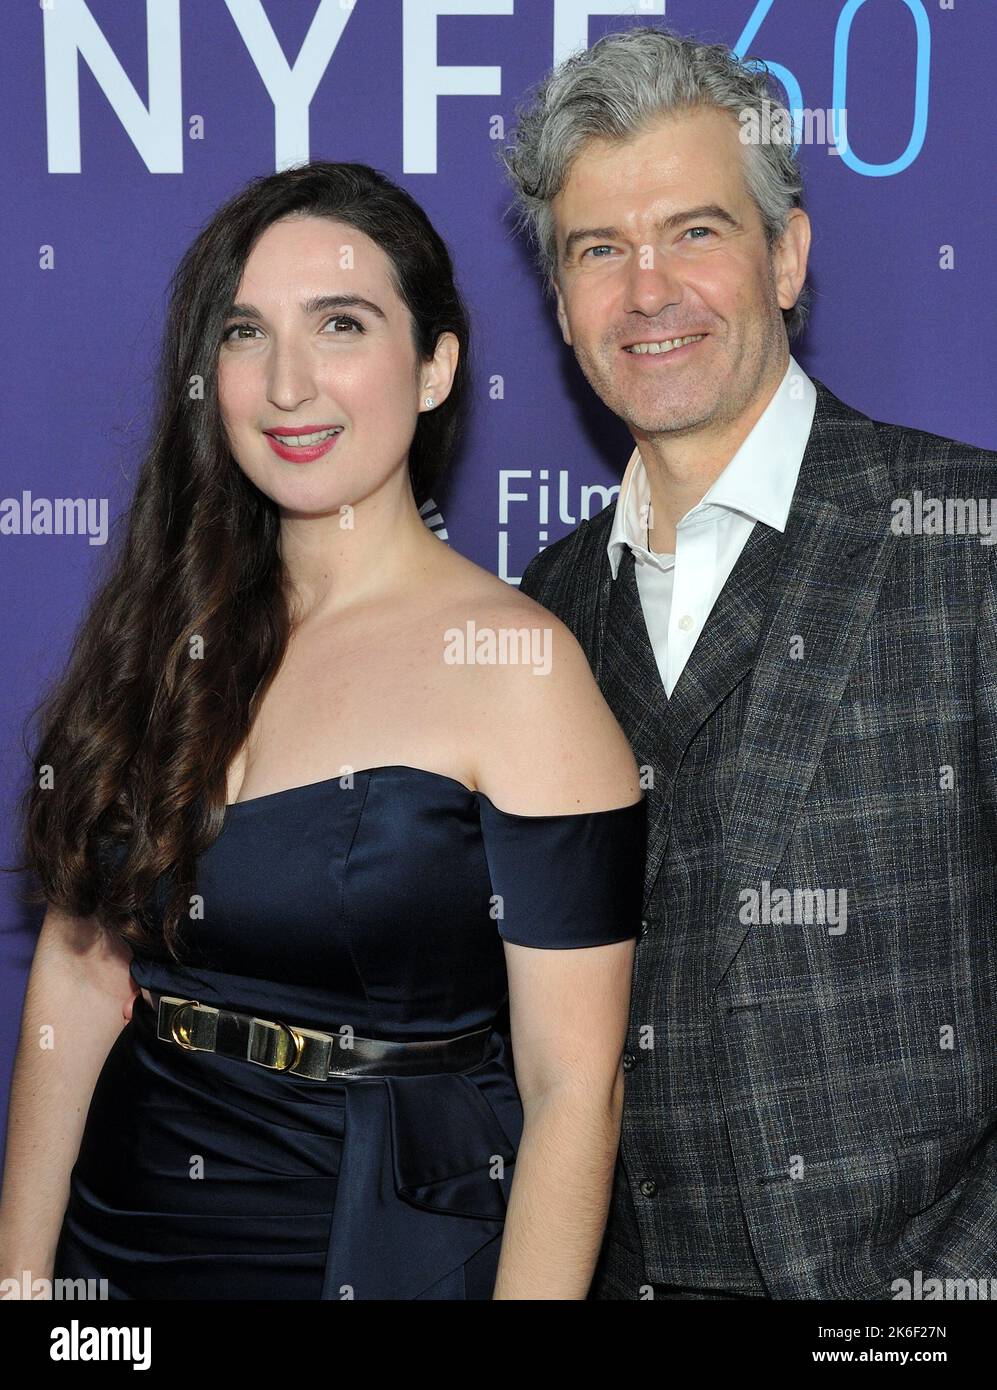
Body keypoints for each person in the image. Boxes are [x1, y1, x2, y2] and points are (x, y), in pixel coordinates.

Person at [0, 161, 646, 1300]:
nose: (289, 383)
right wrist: (24, 1284)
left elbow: (572, 1090)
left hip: (372, 1242)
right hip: (128, 1230)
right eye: (247, 333)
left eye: (340, 324)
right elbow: (81, 975)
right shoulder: (163, 627)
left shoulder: (521, 668)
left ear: (435, 365)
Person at [501, 26, 997, 1299]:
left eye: (695, 232)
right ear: (559, 302)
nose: (646, 289)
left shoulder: (965, 541)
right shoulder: (539, 614)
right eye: (598, 250)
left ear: (787, 255)